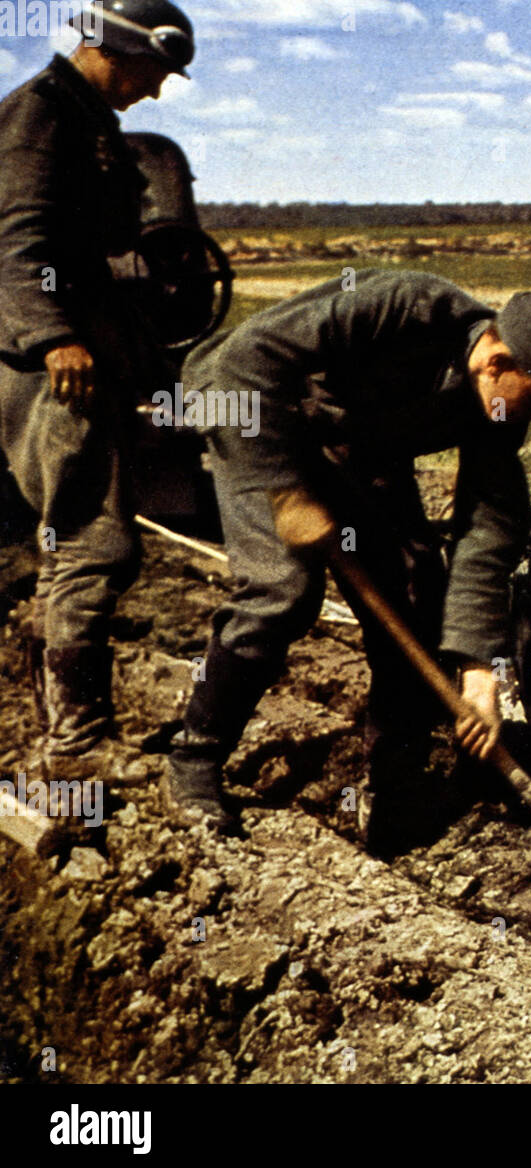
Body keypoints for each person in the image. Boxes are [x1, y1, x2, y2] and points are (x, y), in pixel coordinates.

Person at [164, 270, 531, 847]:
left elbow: (486, 532)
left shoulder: (499, 411)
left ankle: (396, 790)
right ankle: (193, 762)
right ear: (496, 362)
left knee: (418, 596)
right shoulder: (409, 307)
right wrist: (287, 491)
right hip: (251, 408)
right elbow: (250, 356)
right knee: (283, 591)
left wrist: (478, 675)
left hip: (355, 449)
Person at [0, 0, 195, 784]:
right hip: (54, 370)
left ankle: (66, 732)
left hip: (83, 359)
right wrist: (55, 338)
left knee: (75, 546)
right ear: (116, 48)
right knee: (91, 541)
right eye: (152, 72)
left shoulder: (88, 121)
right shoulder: (41, 115)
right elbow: (16, 243)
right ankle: (76, 743)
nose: (154, 91)